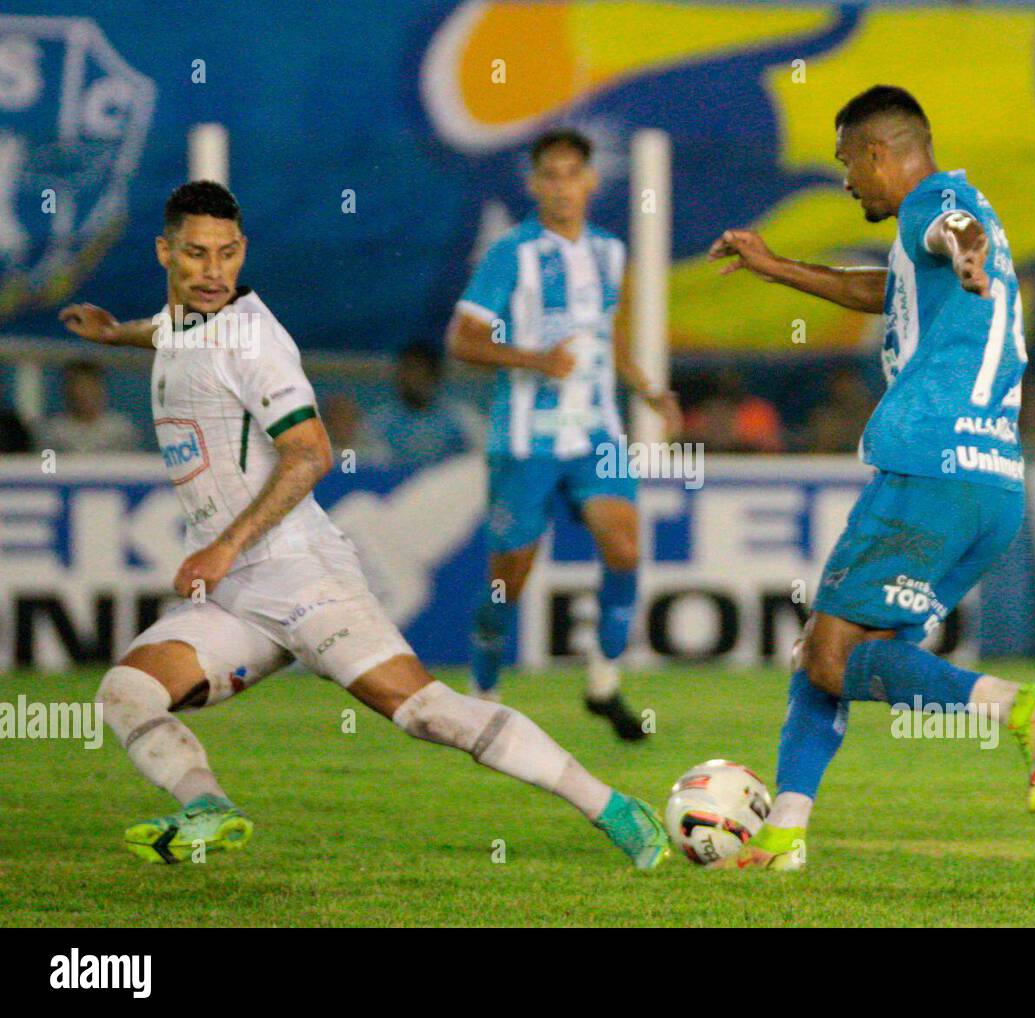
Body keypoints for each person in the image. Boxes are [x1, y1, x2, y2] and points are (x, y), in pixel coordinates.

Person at [58, 180, 668, 868]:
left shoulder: (255, 340)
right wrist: (117, 334)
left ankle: (611, 806)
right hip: (238, 596)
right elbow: (170, 329)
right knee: (127, 691)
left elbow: (311, 452)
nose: (213, 272)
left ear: (242, 251)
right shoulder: (180, 324)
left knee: (427, 713)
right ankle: (209, 807)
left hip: (301, 574)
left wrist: (223, 546)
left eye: (227, 255)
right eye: (196, 256)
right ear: (166, 253)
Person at [708, 85, 1035, 870]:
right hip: (991, 487)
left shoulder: (934, 204)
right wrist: (775, 267)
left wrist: (966, 244)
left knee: (825, 653)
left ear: (880, 153)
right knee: (833, 651)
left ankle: (1020, 710)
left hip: (928, 467)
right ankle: (784, 834)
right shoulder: (937, 240)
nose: (848, 181)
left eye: (849, 162)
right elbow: (882, 290)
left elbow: (953, 228)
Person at [448, 129, 682, 739]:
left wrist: (649, 389)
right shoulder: (512, 253)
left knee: (626, 549)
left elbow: (607, 334)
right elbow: (463, 339)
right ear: (533, 184)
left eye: (571, 174)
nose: (562, 186)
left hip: (597, 433)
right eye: (548, 175)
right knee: (509, 582)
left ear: (591, 180)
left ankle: (603, 683)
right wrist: (533, 359)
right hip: (526, 441)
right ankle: (483, 688)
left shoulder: (609, 250)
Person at [368, 343, 478, 465]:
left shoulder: (461, 418)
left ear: (434, 377)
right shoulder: (380, 421)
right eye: (407, 374)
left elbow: (480, 458)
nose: (412, 381)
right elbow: (368, 463)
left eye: (419, 374)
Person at [38, 360, 141, 453]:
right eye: (79, 387)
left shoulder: (120, 429)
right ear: (68, 391)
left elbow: (133, 467)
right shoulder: (54, 431)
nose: (85, 394)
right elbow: (44, 469)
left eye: (90, 386)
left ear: (100, 390)